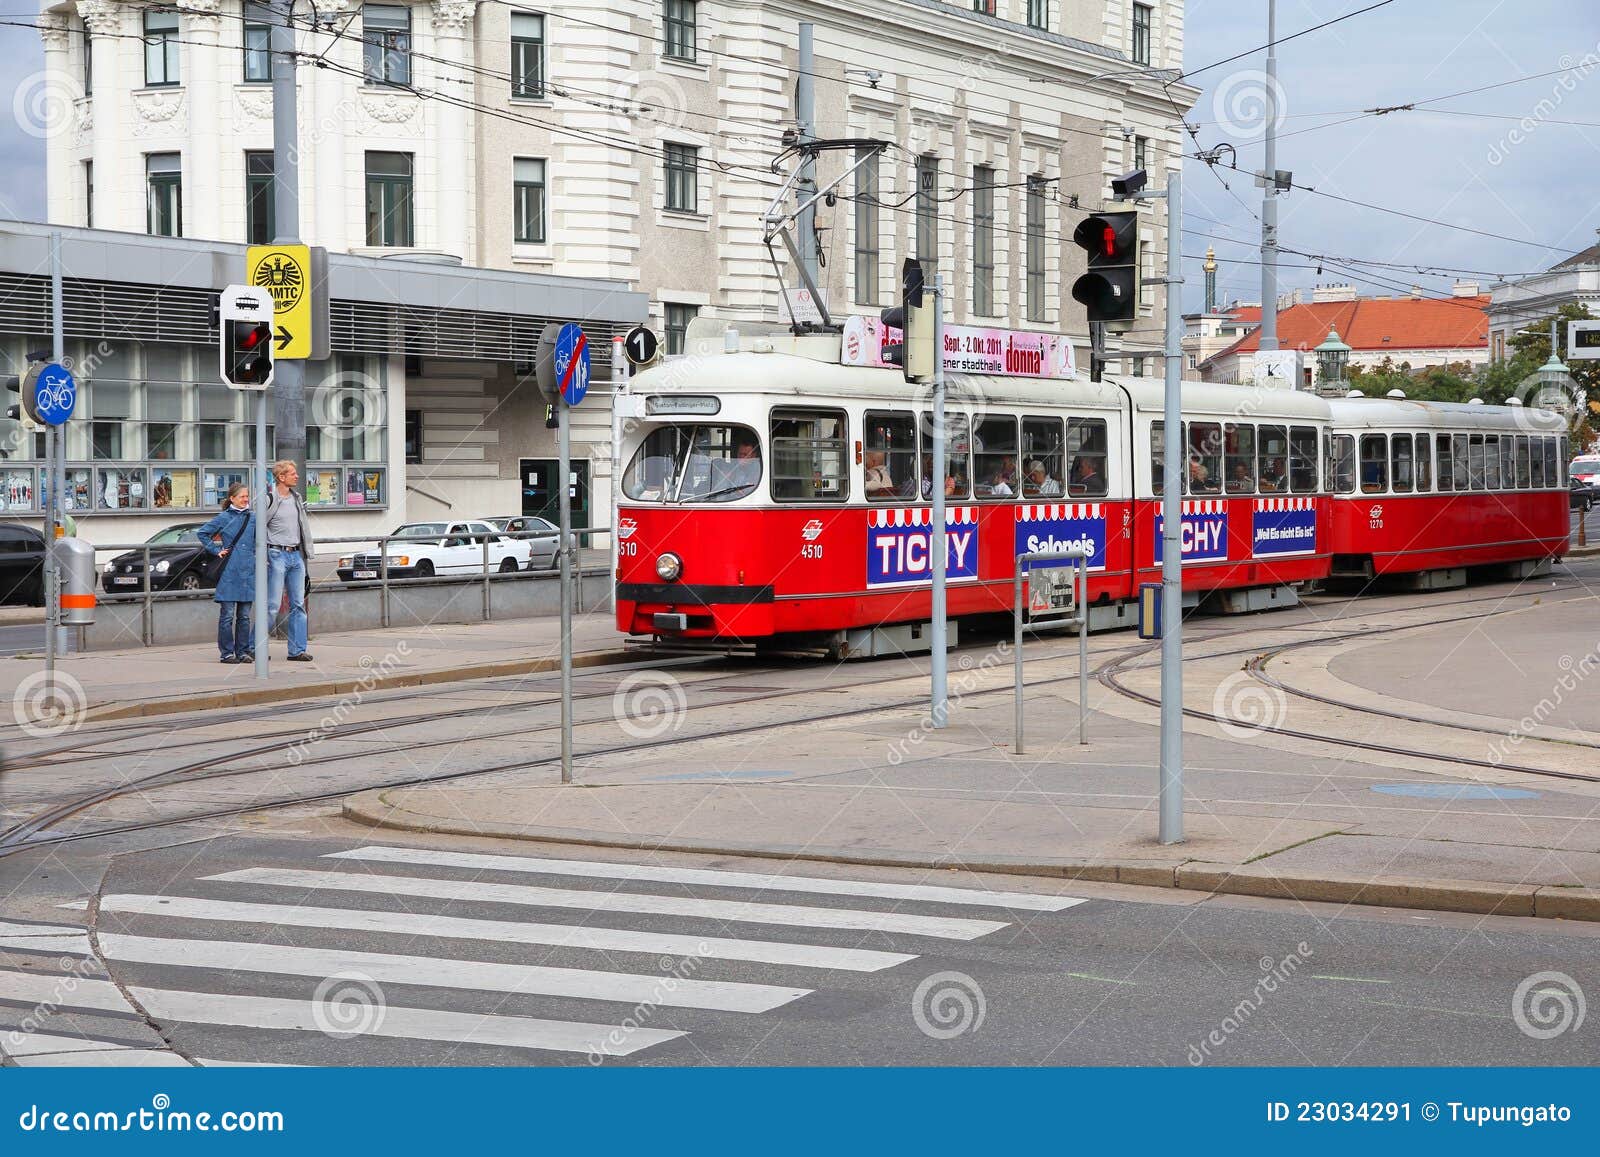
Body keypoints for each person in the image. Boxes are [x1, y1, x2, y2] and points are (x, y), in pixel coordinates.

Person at [194, 483, 255, 665]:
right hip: (229, 571)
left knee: (244, 616)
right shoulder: (223, 517)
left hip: (248, 571)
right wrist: (216, 550)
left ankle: (242, 651)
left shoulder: (253, 517)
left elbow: (260, 541)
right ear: (232, 498)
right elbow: (203, 533)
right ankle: (227, 653)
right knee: (227, 615)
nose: (246, 499)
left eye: (247, 496)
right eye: (242, 496)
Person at [264, 459, 317, 663]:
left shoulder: (297, 498)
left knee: (298, 604)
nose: (297, 476)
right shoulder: (270, 499)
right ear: (281, 477)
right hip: (276, 555)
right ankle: (254, 648)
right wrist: (264, 558)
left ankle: (297, 650)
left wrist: (306, 553)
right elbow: (258, 528)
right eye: (292, 473)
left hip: (296, 555)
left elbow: (302, 528)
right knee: (272, 606)